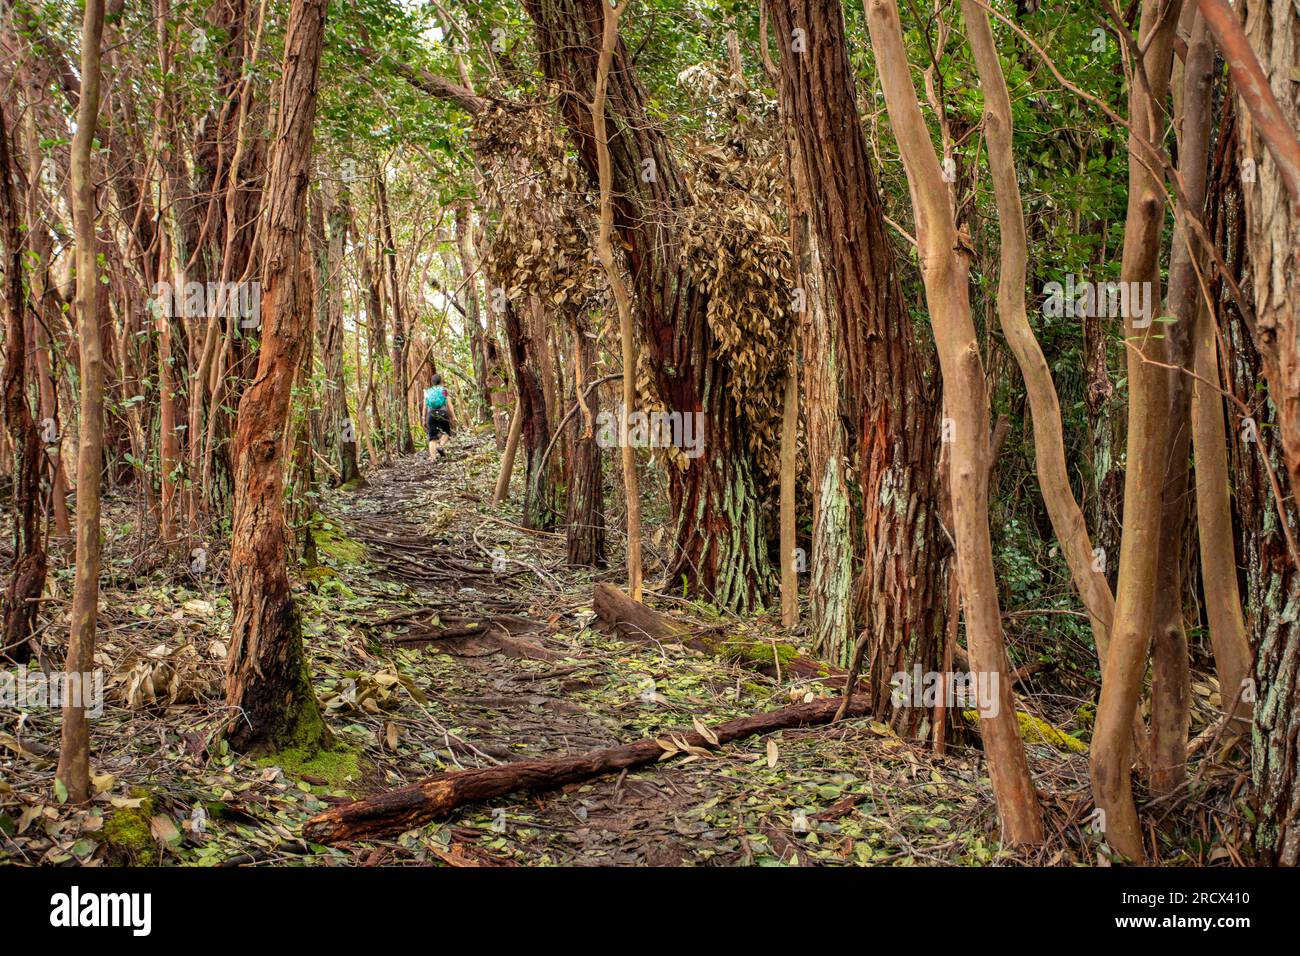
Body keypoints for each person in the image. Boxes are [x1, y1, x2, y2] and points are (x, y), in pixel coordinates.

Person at [423, 373, 454, 460]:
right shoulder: (444, 390)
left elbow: (425, 407)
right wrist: (453, 417)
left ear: (432, 382)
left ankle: (433, 458)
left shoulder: (427, 392)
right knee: (446, 432)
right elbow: (450, 405)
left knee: (432, 438)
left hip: (431, 415)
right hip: (443, 413)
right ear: (440, 381)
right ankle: (440, 445)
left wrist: (423, 418)